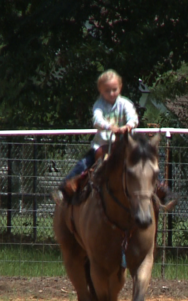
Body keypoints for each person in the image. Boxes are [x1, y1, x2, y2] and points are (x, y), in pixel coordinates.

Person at [52, 69, 139, 204]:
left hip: (125, 144)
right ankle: (64, 187)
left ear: (120, 87)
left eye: (114, 89)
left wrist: (127, 127)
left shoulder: (126, 104)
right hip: (102, 145)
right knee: (84, 163)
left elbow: (133, 118)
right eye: (107, 90)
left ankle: (160, 186)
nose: (111, 93)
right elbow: (97, 120)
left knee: (144, 159)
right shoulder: (98, 105)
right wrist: (110, 127)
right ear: (100, 90)